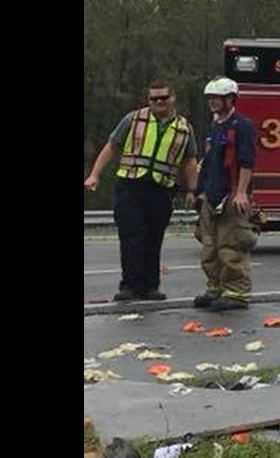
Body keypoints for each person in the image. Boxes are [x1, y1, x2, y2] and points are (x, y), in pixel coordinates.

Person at [84, 81, 199, 302]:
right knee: (131, 236)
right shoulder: (134, 119)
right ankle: (129, 286)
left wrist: (191, 190)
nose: (158, 102)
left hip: (162, 189)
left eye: (162, 98)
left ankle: (150, 287)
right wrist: (94, 175)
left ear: (172, 98)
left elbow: (189, 160)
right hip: (131, 186)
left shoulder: (184, 128)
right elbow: (112, 146)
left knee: (153, 239)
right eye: (153, 99)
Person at [194, 77, 257, 311]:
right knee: (209, 248)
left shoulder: (242, 126)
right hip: (212, 195)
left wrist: (241, 193)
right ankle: (215, 289)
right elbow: (209, 161)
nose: (212, 102)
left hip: (231, 196)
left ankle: (237, 294)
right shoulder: (216, 125)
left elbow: (246, 162)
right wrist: (199, 191)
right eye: (209, 98)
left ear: (230, 99)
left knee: (231, 247)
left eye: (216, 98)